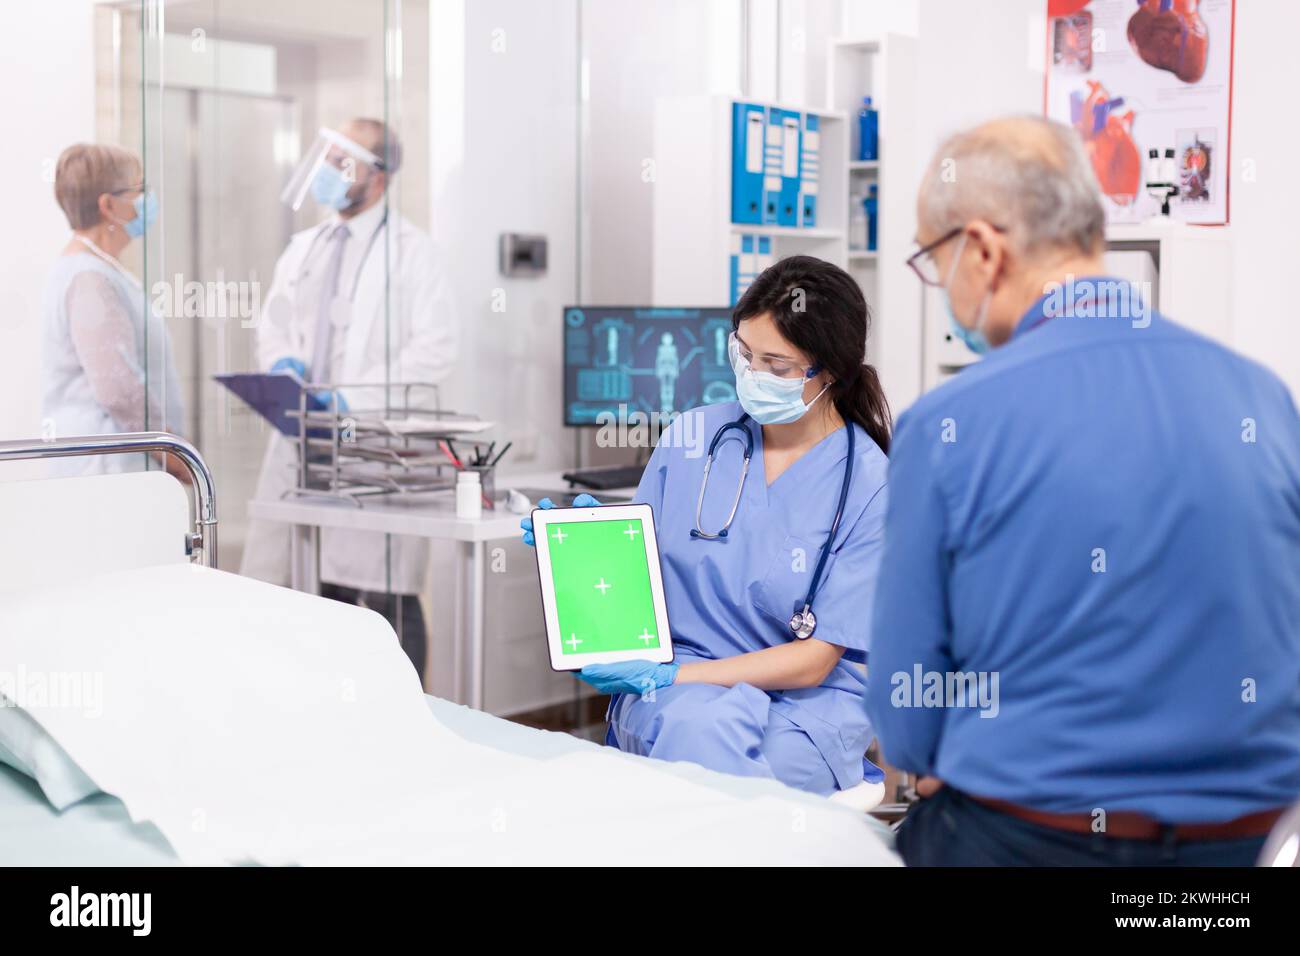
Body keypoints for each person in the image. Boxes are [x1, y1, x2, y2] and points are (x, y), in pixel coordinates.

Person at [867, 115, 1300, 866]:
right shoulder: (1261, 397)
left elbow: (907, 716)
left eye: (935, 261)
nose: (941, 287)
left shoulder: (949, 423)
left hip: (1030, 838)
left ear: (984, 250)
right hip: (1246, 846)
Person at [524, 256, 892, 796]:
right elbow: (638, 579)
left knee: (706, 763)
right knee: (702, 744)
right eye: (743, 354)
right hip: (680, 684)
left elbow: (815, 661)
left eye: (777, 365)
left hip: (800, 704)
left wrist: (672, 679)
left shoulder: (870, 483)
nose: (752, 375)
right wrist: (584, 549)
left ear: (830, 371)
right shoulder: (694, 436)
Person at [240, 119, 457, 679]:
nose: (326, 173)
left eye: (343, 162)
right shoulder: (305, 247)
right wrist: (282, 363)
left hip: (371, 445)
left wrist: (350, 398)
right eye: (326, 158)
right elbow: (275, 322)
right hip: (303, 439)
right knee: (314, 588)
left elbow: (435, 349)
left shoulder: (415, 254)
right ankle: (333, 719)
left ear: (378, 178)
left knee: (388, 599)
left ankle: (413, 717)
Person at [42, 143, 186, 479]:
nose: (146, 200)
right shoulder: (89, 278)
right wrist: (178, 458)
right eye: (138, 191)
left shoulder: (96, 270)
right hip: (109, 472)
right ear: (108, 205)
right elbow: (119, 391)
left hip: (118, 470)